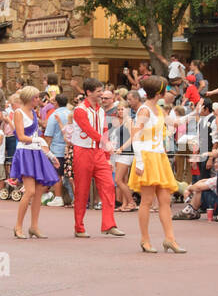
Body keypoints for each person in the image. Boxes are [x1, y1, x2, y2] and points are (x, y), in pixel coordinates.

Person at [128, 76, 183, 252]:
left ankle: (170, 239)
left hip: (159, 156)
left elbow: (174, 123)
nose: (167, 92)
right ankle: (145, 239)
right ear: (159, 92)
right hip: (147, 156)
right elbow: (136, 135)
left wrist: (195, 113)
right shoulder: (144, 111)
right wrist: (140, 161)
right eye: (165, 89)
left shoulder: (159, 109)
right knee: (147, 200)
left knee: (165, 200)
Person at [69, 79, 123, 237]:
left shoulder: (100, 110)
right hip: (82, 152)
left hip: (98, 152)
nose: (102, 94)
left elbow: (104, 130)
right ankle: (79, 227)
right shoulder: (80, 110)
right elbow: (89, 130)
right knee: (82, 191)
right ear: (89, 92)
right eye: (99, 91)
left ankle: (109, 224)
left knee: (108, 186)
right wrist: (106, 143)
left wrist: (106, 156)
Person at [10, 86, 59, 239]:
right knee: (30, 190)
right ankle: (18, 226)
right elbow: (21, 136)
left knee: (39, 191)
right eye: (36, 97)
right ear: (30, 98)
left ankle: (34, 226)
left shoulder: (34, 113)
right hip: (24, 152)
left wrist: (50, 154)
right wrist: (38, 139)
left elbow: (37, 137)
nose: (39, 100)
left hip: (36, 152)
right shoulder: (18, 113)